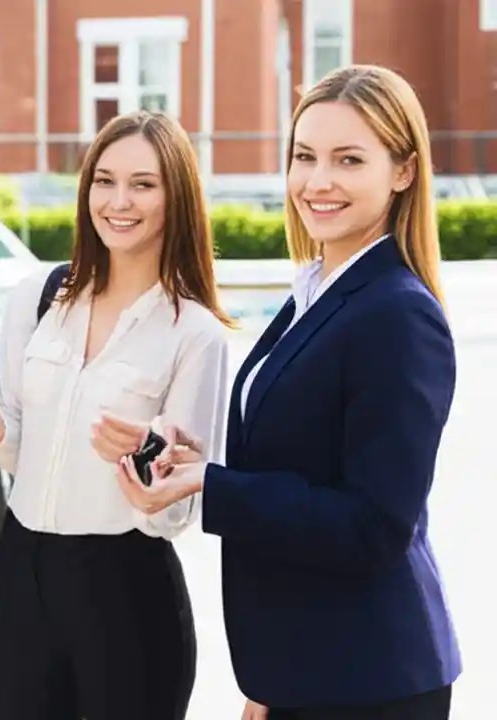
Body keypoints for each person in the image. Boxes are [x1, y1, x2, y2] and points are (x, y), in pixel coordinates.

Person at [109, 65, 461, 720]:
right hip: (307, 668)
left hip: (371, 680)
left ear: (404, 171)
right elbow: (299, 463)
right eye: (304, 156)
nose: (317, 181)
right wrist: (196, 462)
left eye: (348, 159)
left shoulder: (396, 313)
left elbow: (375, 526)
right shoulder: (318, 291)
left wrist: (213, 485)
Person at [0, 110, 234, 719]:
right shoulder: (40, 298)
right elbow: (20, 450)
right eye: (104, 180)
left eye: (143, 184)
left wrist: (148, 458)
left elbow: (176, 514)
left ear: (177, 197)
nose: (118, 201)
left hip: (128, 588)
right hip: (22, 578)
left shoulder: (195, 333)